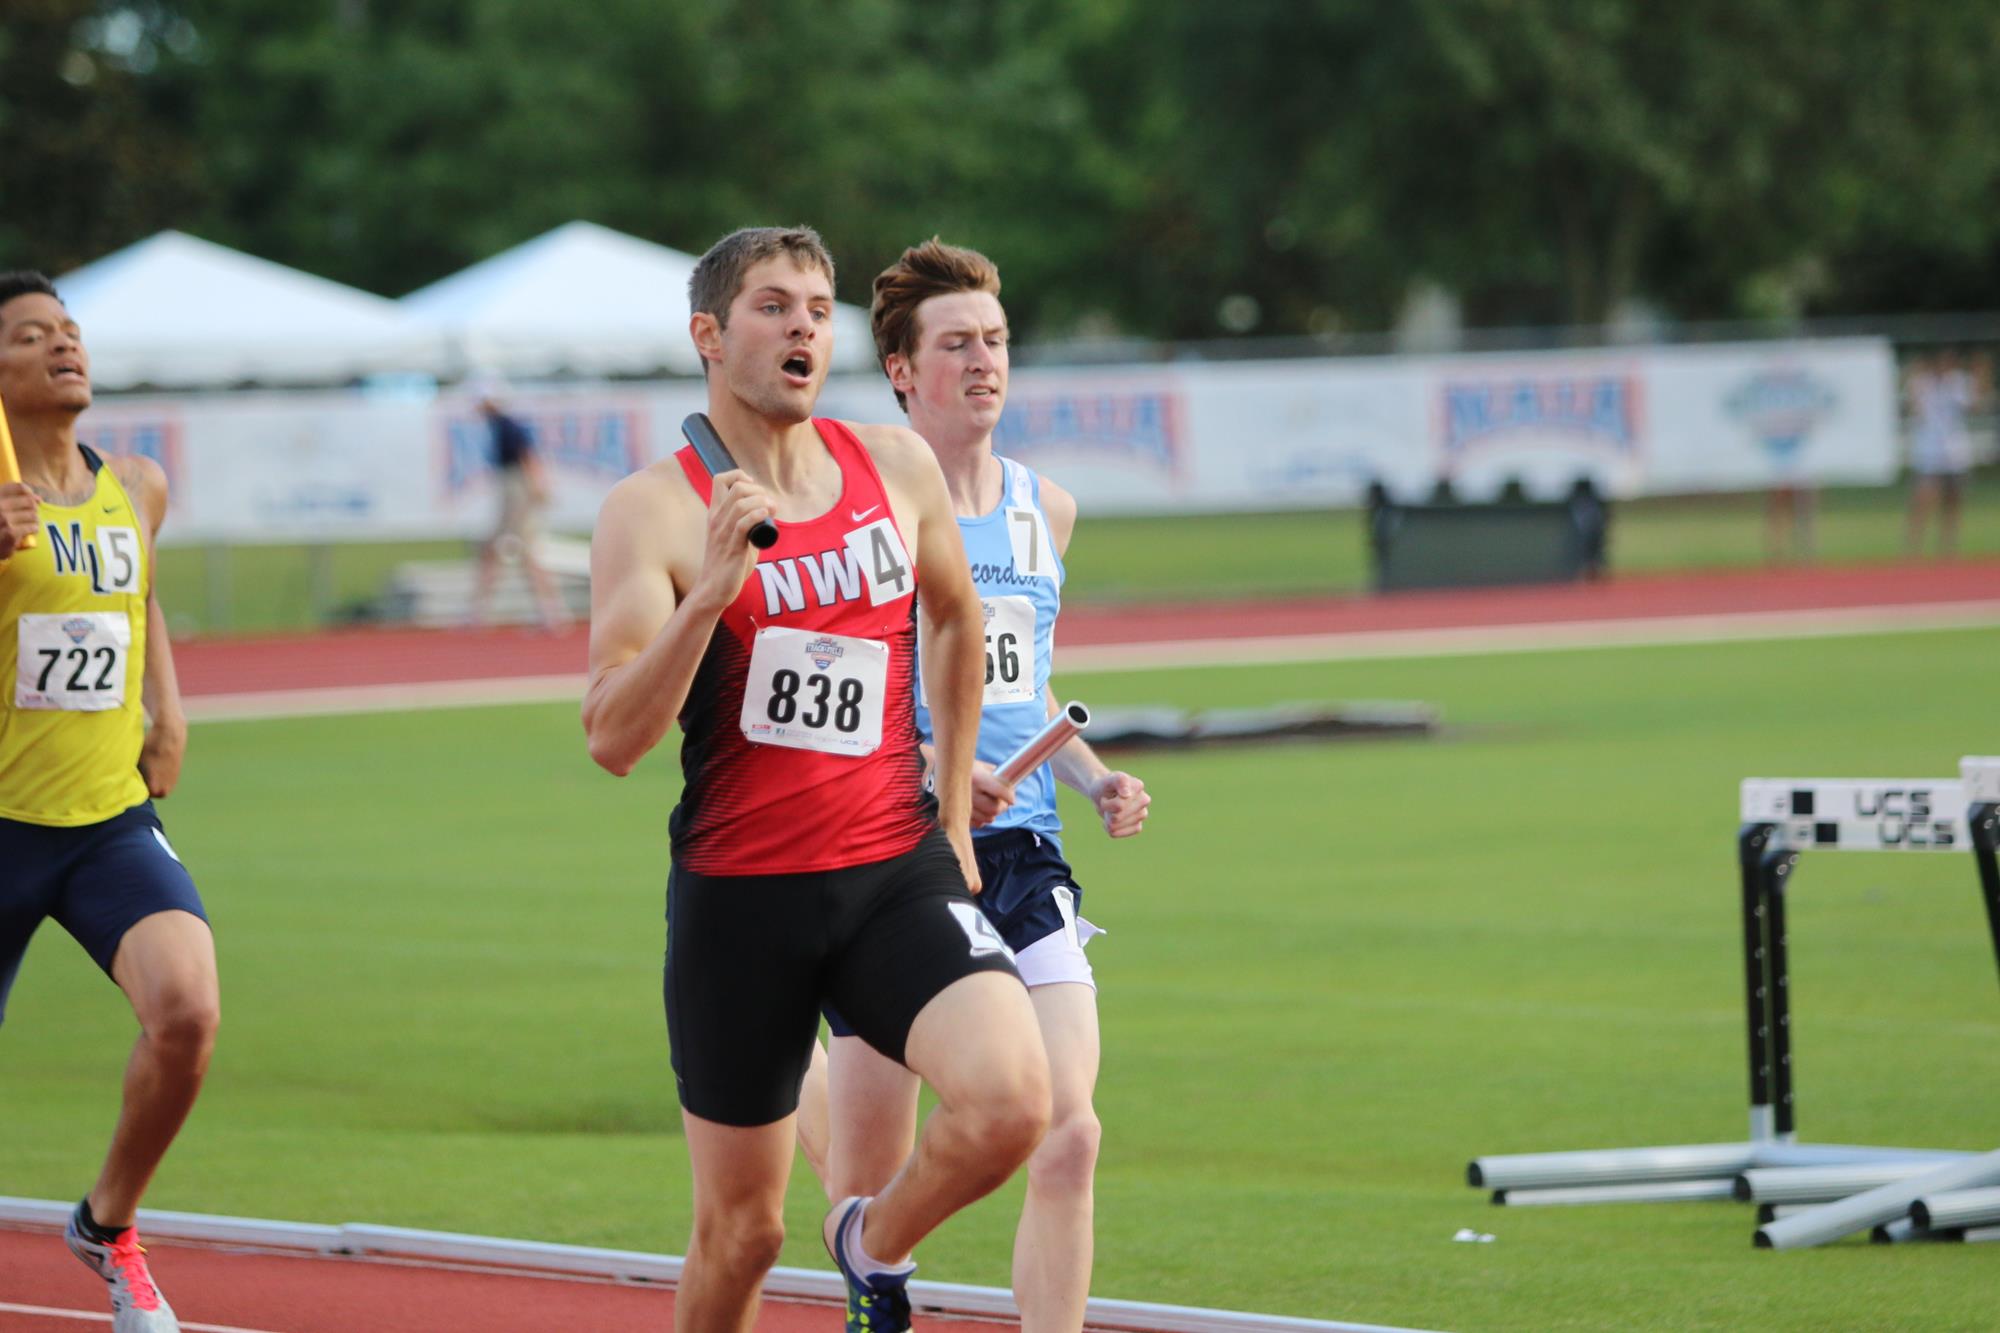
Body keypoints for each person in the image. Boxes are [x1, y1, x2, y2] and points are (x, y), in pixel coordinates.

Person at [581, 226, 1051, 1333]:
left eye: (816, 306)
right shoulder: (652, 510)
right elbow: (611, 735)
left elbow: (953, 612)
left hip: (893, 868)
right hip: (743, 897)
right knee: (739, 1235)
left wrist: (947, 813)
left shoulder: (890, 467)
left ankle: (870, 1242)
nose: (802, 326)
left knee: (1011, 1104)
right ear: (707, 335)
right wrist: (706, 595)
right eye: (771, 306)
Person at [800, 239, 1151, 1333]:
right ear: (902, 370)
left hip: (1021, 848)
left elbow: (1027, 671)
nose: (983, 362)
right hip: (893, 851)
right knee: (868, 1162)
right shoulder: (864, 509)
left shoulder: (1046, 507)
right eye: (956, 344)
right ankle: (856, 1221)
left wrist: (1089, 776)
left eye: (995, 342)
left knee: (1069, 1131)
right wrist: (938, 775)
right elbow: (833, 690)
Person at [0, 271, 217, 1333]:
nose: (62, 347)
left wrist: (167, 711)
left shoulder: (134, 481)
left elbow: (138, 597)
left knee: (188, 1011)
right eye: (32, 337)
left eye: (69, 332)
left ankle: (107, 1223)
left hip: (102, 818)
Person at [467, 380, 569, 630]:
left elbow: (527, 458)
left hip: (516, 490)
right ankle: (548, 611)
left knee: (509, 549)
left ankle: (482, 611)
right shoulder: (499, 425)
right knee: (520, 552)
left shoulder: (506, 425)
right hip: (513, 489)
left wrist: (536, 488)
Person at [1904, 349, 1983, 557]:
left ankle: (1947, 548)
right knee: (1922, 500)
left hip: (1955, 452)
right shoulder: (1922, 384)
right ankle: (1914, 548)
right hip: (1928, 452)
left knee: (1953, 502)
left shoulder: (1959, 384)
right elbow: (1914, 408)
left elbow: (1974, 407)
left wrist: (1979, 378)